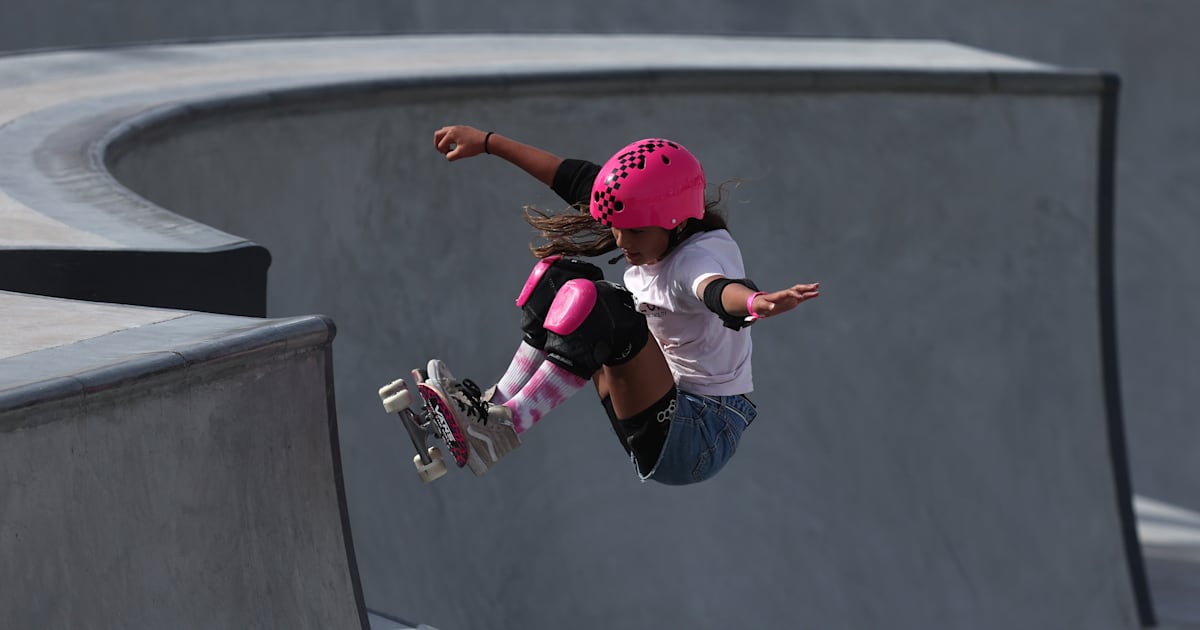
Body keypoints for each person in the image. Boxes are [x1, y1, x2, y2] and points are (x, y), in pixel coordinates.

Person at [422, 124, 819, 485]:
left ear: (675, 222)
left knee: (607, 307)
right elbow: (570, 176)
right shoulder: (650, 218)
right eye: (616, 226)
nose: (622, 241)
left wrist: (754, 301)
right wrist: (489, 143)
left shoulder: (696, 259)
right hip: (664, 405)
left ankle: (506, 426)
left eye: (635, 232)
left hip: (698, 432)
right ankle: (492, 410)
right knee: (556, 277)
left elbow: (716, 291)